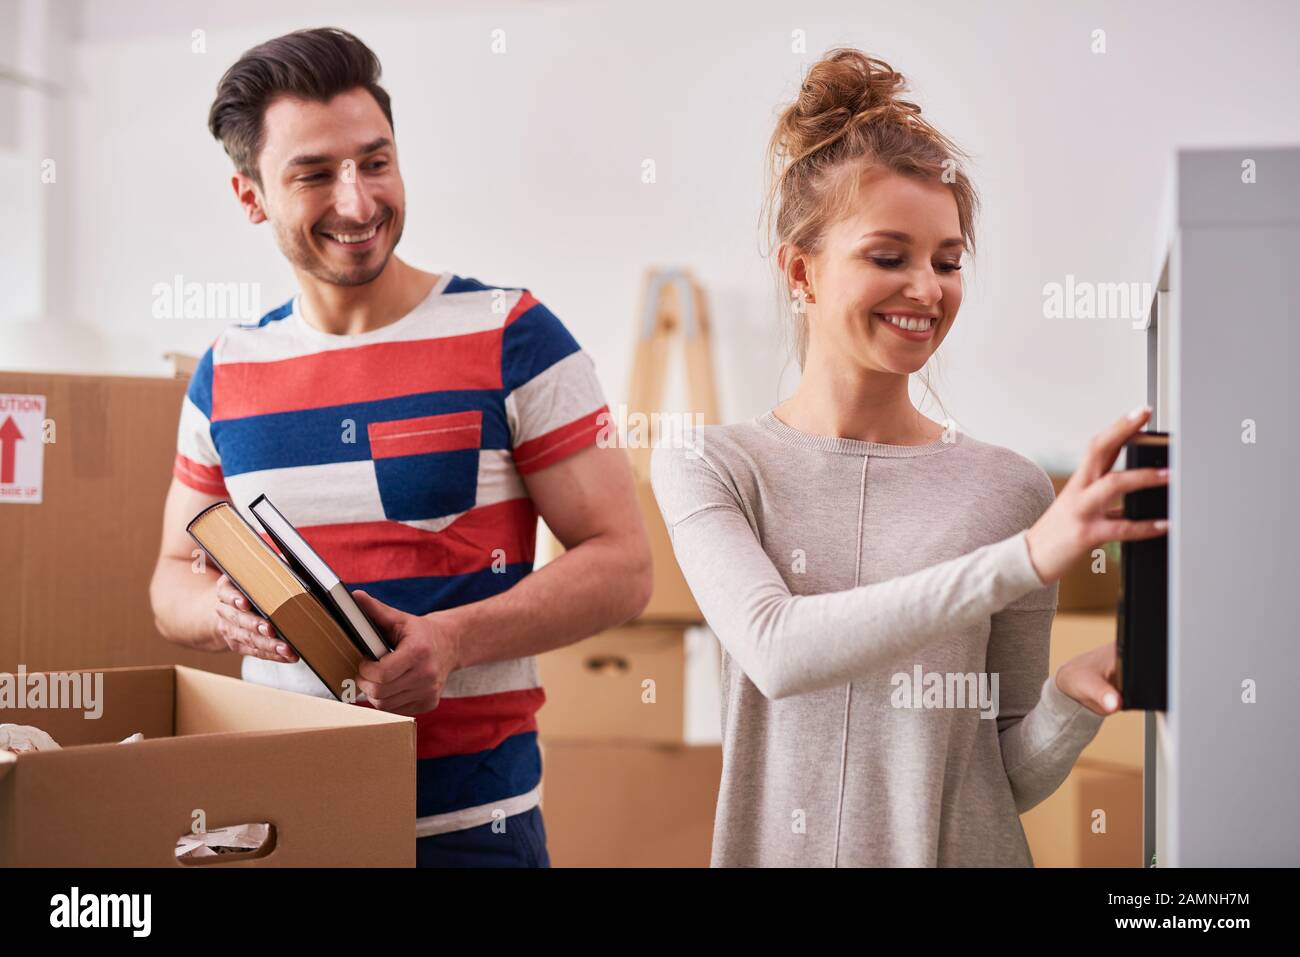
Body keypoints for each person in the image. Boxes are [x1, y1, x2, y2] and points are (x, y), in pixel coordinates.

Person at [650, 48, 1169, 867]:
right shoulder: (713, 465)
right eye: (889, 257)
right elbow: (779, 648)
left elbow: (998, 780)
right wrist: (1025, 558)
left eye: (948, 261)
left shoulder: (1008, 488)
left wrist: (1071, 699)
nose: (928, 289)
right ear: (801, 271)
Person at [149, 27, 653, 867]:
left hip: (470, 835)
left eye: (375, 162)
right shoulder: (225, 371)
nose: (357, 201)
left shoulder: (514, 335)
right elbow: (172, 579)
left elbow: (624, 566)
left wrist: (451, 641)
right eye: (314, 174)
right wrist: (223, 614)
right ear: (251, 197)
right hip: (275, 831)